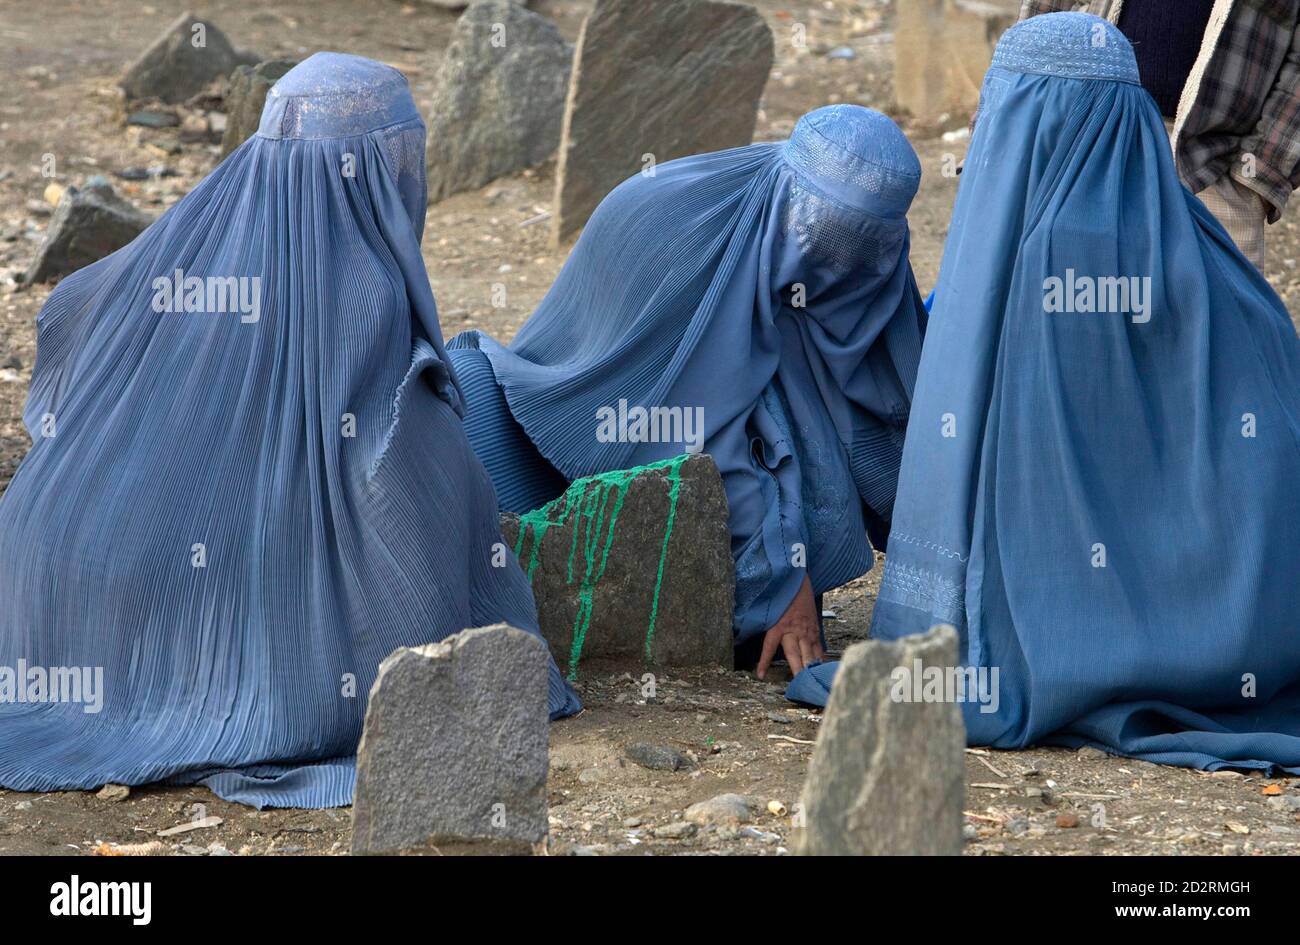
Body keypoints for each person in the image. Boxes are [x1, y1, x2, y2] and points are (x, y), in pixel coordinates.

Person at [0, 53, 578, 809]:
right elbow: (419, 568)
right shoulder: (372, 314)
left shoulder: (181, 265)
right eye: (403, 159)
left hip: (45, 600)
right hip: (241, 662)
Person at [870, 13, 1300, 773]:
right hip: (1114, 116)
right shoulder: (1223, 287)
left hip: (1195, 157)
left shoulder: (1000, 271)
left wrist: (1256, 179)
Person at [448, 105, 928, 681]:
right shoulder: (664, 225)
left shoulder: (849, 251)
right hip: (587, 432)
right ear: (786, 192)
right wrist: (782, 579)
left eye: (866, 248)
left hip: (723, 453)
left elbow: (898, 393)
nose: (841, 267)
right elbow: (690, 428)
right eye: (826, 240)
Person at [1016, 0, 1300, 266]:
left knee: (1215, 316)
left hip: (1215, 164)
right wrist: (1014, 118)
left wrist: (1254, 177)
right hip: (1080, 137)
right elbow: (1047, 7)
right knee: (1072, 305)